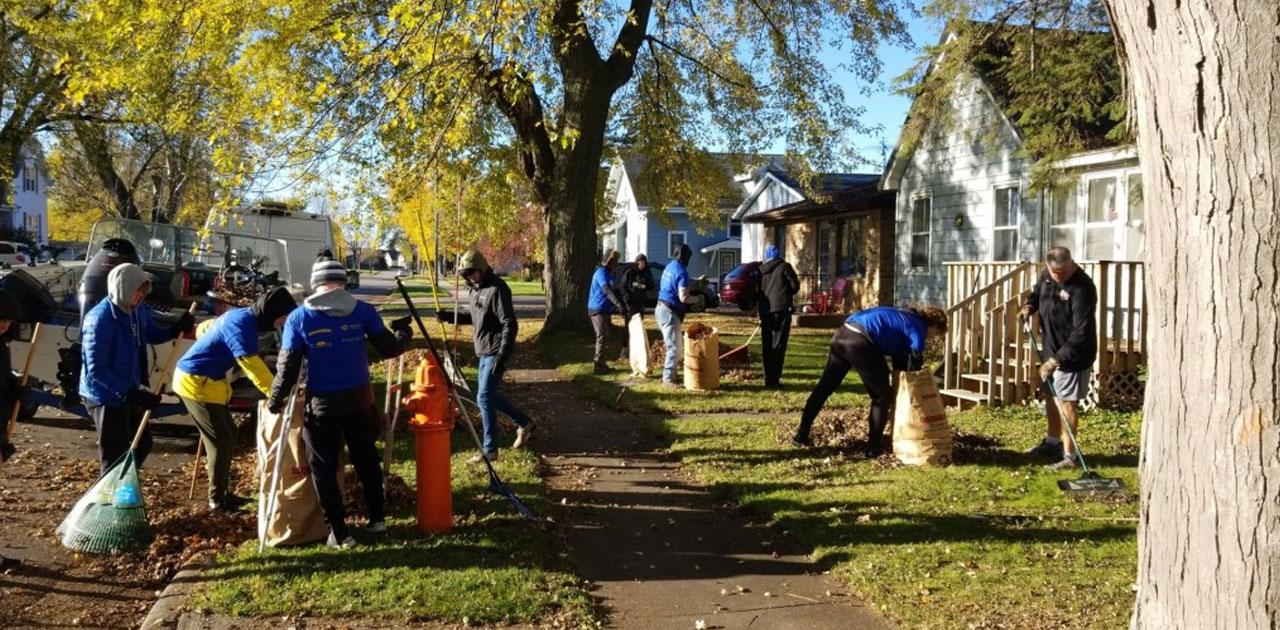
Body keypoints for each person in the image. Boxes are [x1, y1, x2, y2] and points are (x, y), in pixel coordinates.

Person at [267, 259, 410, 549]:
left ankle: (340, 532)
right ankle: (377, 519)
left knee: (323, 467)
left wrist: (274, 400)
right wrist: (404, 335)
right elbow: (391, 349)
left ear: (315, 284)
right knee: (366, 458)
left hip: (323, 406)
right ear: (344, 283)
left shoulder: (299, 318)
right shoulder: (363, 311)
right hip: (361, 399)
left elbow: (288, 369)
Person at [174, 287, 297, 511]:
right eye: (282, 317)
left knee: (228, 433)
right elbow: (253, 368)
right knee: (222, 441)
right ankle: (217, 499)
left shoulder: (239, 315)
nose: (282, 322)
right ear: (271, 314)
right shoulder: (242, 327)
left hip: (209, 382)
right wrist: (278, 394)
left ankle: (222, 492)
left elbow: (207, 329)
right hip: (195, 384)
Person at [80, 263, 194, 475]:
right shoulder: (99, 320)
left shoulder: (137, 310)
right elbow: (97, 370)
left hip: (127, 390)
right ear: (122, 289)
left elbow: (149, 334)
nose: (140, 296)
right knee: (114, 455)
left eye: (143, 292)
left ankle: (123, 483)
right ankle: (107, 498)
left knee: (142, 444)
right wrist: (131, 393)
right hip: (104, 395)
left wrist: (175, 329)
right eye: (136, 291)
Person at [791, 306, 948, 458]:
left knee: (824, 388)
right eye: (934, 334)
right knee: (882, 396)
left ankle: (801, 435)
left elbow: (899, 359)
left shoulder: (903, 316)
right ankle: (873, 448)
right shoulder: (918, 326)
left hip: (842, 334)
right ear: (933, 325)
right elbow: (914, 366)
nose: (930, 338)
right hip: (861, 341)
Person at [446, 249, 536, 462]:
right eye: (466, 274)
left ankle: (490, 450)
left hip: (495, 351)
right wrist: (451, 317)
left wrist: (502, 357)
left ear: (482, 269)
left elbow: (509, 324)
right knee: (488, 396)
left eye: (473, 272)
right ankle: (525, 423)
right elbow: (478, 318)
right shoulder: (474, 290)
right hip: (483, 349)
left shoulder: (497, 289)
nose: (470, 277)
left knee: (484, 397)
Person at [1019, 247, 1098, 470]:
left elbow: (1081, 332)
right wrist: (1029, 306)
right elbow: (1037, 293)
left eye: (1063, 272)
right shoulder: (1047, 275)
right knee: (1050, 395)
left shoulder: (1082, 288)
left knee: (1066, 402)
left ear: (1072, 264)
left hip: (1073, 355)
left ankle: (1070, 458)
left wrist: (1055, 361)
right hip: (1050, 349)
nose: (1058, 277)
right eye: (1054, 272)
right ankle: (1053, 441)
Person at [755, 245, 799, 389]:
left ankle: (767, 377)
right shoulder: (785, 267)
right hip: (781, 308)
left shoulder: (760, 271)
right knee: (778, 344)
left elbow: (757, 291)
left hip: (765, 311)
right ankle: (775, 378)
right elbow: (795, 286)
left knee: (766, 344)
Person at [655, 244, 693, 387]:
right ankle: (668, 379)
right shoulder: (681, 271)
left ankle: (673, 375)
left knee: (677, 346)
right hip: (670, 312)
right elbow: (683, 297)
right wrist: (697, 300)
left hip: (661, 308)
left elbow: (673, 287)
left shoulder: (669, 267)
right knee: (673, 347)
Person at [587, 249, 628, 374]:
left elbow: (614, 291)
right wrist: (618, 304)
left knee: (606, 336)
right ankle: (598, 365)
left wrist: (622, 301)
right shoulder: (600, 273)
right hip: (596, 309)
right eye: (613, 262)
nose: (615, 264)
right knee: (601, 336)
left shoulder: (609, 274)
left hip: (605, 309)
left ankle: (602, 363)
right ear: (608, 262)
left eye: (615, 262)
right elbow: (607, 290)